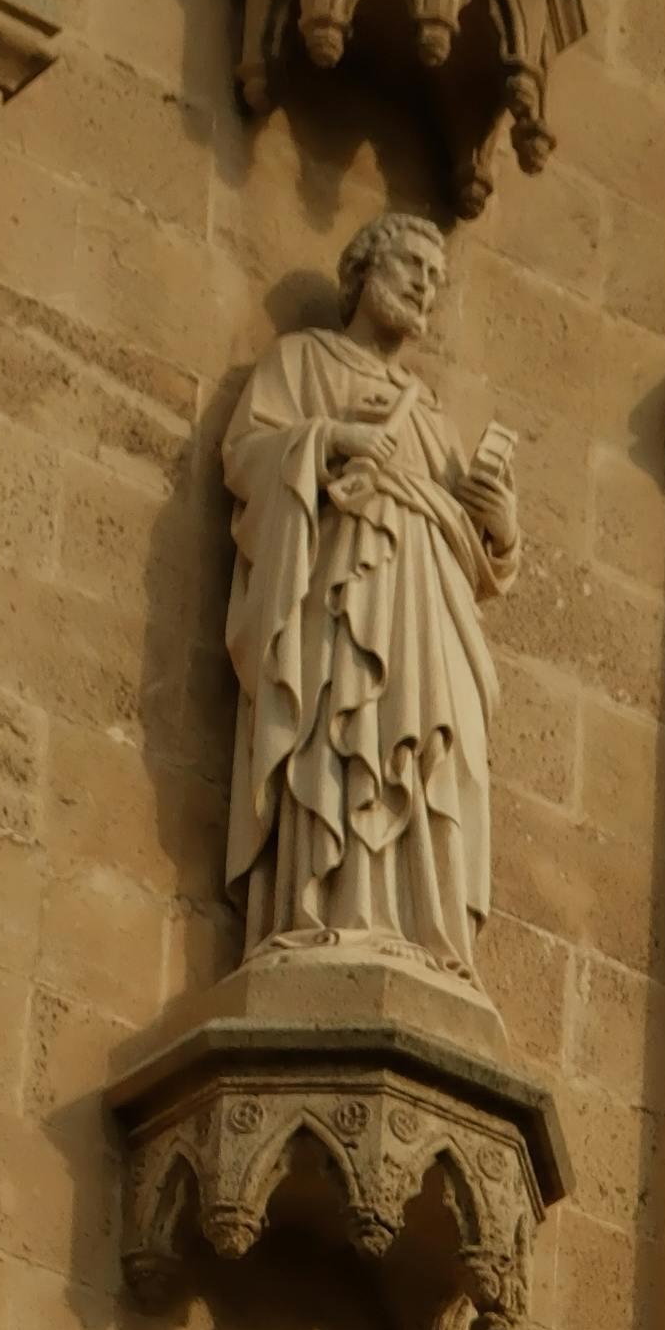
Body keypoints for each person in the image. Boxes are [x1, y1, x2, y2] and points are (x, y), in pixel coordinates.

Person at [221, 209, 522, 973]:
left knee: (429, 749)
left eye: (436, 277)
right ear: (363, 273)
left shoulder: (432, 418)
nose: (426, 285)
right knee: (342, 732)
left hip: (429, 617)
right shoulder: (303, 362)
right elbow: (246, 456)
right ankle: (335, 908)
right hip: (345, 596)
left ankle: (420, 928)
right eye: (410, 266)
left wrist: (503, 526)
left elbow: (475, 550)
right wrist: (330, 442)